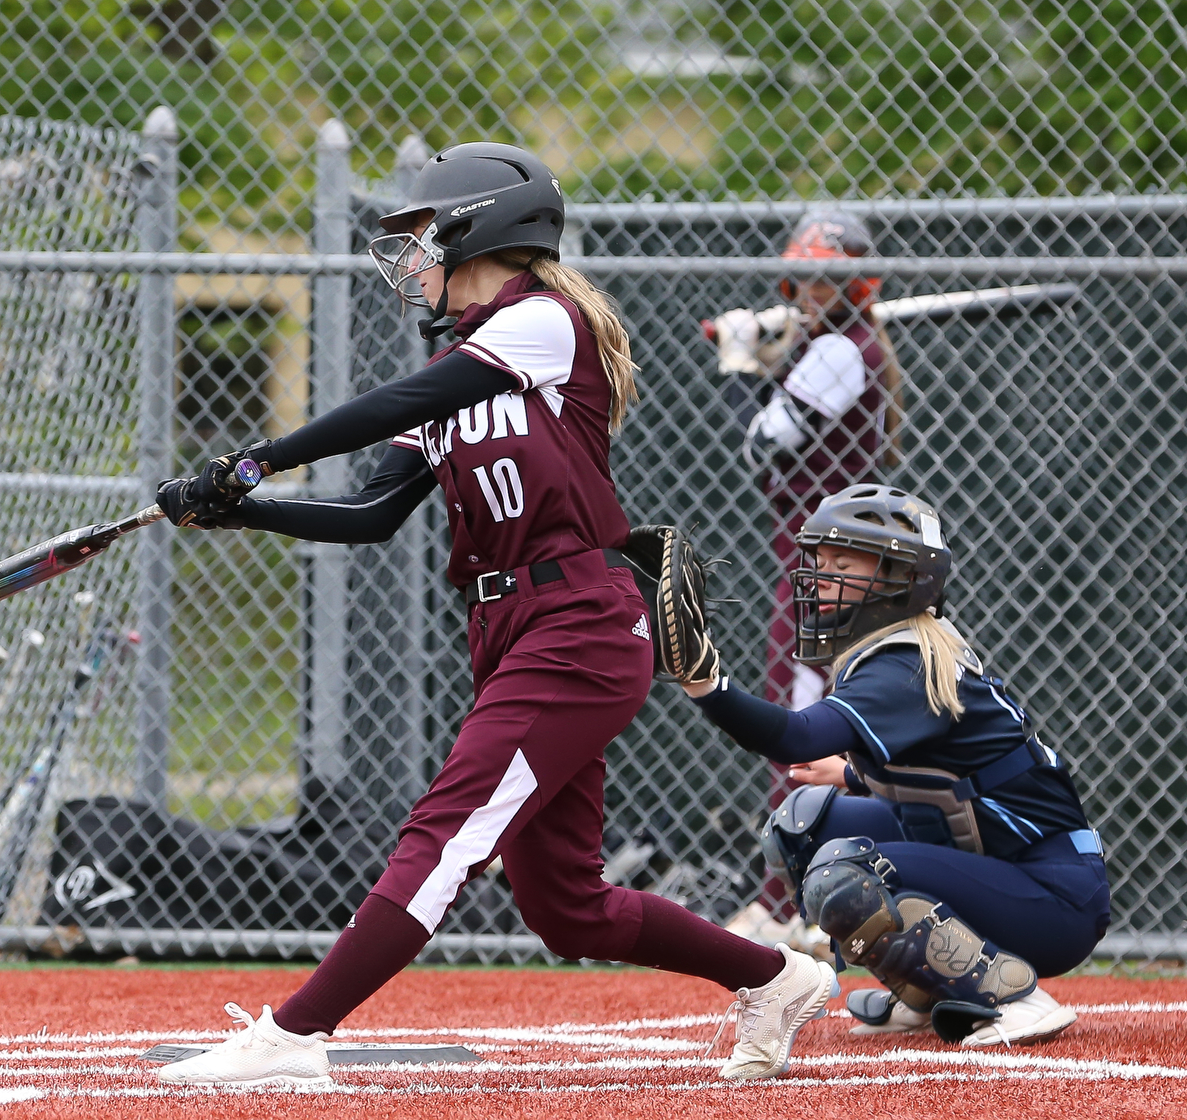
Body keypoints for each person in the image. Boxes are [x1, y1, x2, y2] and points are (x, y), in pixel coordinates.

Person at [147, 142, 837, 1087]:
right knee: (567, 909)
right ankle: (780, 977)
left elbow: (406, 398)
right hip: (510, 630)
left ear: (482, 228)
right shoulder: (461, 362)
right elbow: (367, 515)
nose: (414, 255)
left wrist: (256, 459)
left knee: (448, 830)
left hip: (577, 628)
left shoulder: (542, 324)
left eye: (427, 233)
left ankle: (294, 1036)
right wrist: (240, 507)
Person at [677, 483, 1110, 1046]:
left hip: (1052, 898)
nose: (821, 578)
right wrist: (854, 775)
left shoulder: (907, 660)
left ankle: (1015, 996)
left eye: (843, 563)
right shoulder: (896, 651)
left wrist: (706, 684)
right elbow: (954, 778)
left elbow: (794, 737)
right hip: (997, 866)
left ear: (902, 575)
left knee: (844, 873)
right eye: (821, 562)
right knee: (801, 826)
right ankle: (928, 986)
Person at [711, 209, 903, 928]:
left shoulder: (842, 351)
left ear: (855, 284)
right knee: (818, 716)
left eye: (831, 278)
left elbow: (763, 444)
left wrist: (738, 367)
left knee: (801, 721)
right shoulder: (831, 348)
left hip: (825, 568)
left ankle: (789, 899)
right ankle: (804, 891)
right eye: (809, 276)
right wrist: (772, 360)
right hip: (823, 560)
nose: (815, 291)